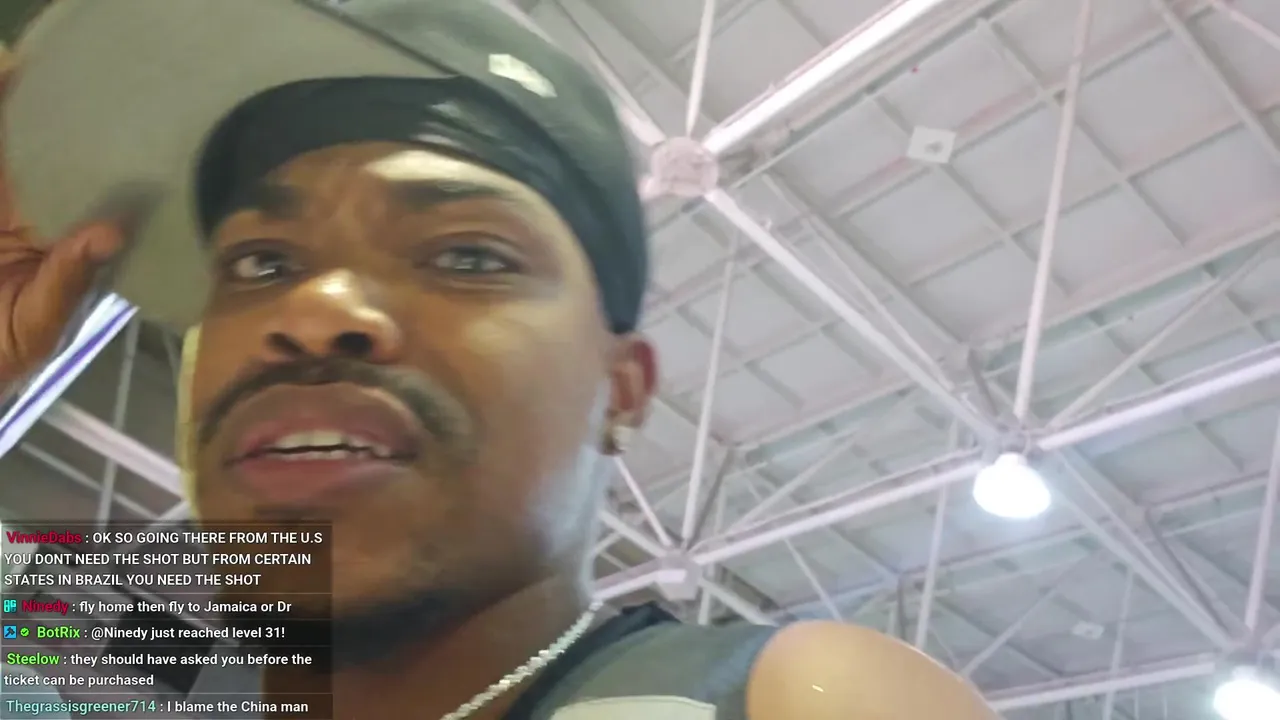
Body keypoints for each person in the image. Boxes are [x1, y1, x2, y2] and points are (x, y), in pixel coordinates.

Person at [0, 2, 997, 719]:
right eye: (262, 263)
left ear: (621, 389)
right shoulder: (106, 669)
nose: (315, 310)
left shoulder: (786, 697)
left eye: (467, 256)